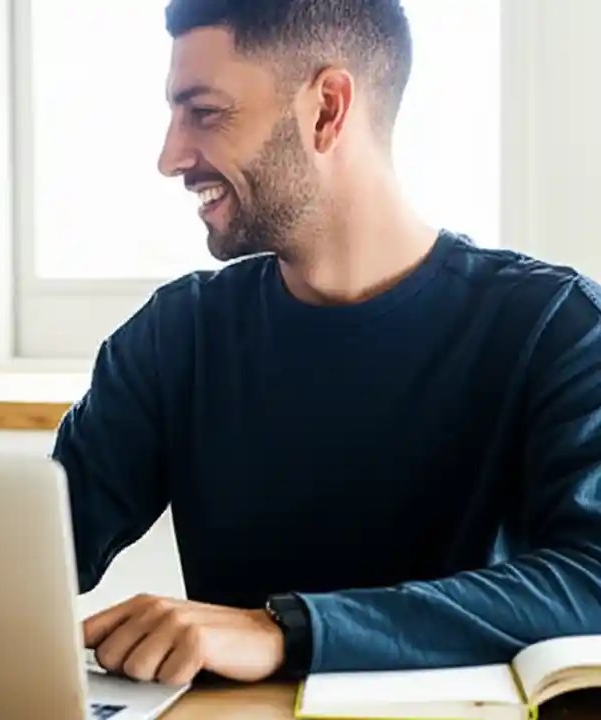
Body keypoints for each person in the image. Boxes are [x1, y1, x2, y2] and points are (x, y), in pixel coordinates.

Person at [58, 0, 601, 686]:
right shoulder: (177, 335)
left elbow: (592, 580)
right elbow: (37, 555)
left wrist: (285, 629)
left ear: (326, 109)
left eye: (205, 112)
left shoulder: (558, 328)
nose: (171, 157)